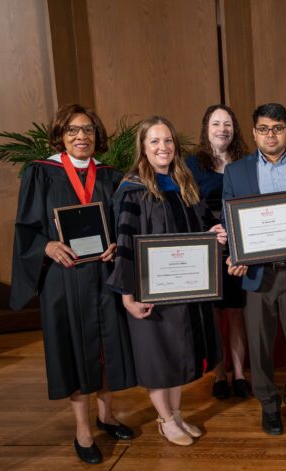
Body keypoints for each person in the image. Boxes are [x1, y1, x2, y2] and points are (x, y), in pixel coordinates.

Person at [10, 104, 136, 464]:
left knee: (107, 349)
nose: (81, 137)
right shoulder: (41, 173)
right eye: (73, 131)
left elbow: (122, 221)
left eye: (88, 130)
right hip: (63, 278)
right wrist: (46, 245)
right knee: (73, 350)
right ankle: (83, 431)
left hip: (103, 274)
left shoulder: (111, 175)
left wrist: (117, 243)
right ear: (60, 136)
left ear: (97, 135)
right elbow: (27, 229)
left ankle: (107, 416)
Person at [108, 116, 224, 446]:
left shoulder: (183, 184)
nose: (163, 147)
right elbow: (126, 243)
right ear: (143, 148)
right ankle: (164, 419)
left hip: (183, 287)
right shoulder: (135, 190)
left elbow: (202, 227)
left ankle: (176, 416)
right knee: (158, 356)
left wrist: (214, 233)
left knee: (176, 355)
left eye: (168, 141)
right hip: (151, 291)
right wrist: (127, 294)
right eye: (155, 142)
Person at [225, 103, 286, 436]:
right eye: (264, 129)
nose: (271, 135)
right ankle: (269, 405)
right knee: (261, 344)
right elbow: (230, 219)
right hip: (256, 274)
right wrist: (234, 254)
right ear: (254, 133)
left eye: (277, 128)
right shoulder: (236, 172)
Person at [186, 104, 251, 400]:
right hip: (207, 246)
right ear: (206, 129)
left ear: (234, 129)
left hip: (240, 246)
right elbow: (187, 207)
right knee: (213, 314)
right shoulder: (191, 164)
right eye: (216, 124)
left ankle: (239, 374)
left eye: (227, 123)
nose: (222, 129)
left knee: (237, 312)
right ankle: (219, 374)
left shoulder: (246, 162)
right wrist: (207, 232)